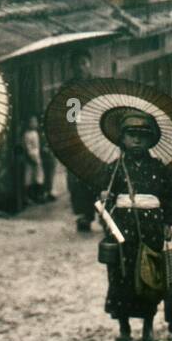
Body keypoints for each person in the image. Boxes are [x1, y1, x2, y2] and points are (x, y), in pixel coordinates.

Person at [100, 111, 172, 341]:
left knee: (151, 277)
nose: (136, 140)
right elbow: (103, 204)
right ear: (122, 139)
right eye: (131, 135)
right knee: (120, 277)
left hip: (151, 229)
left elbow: (170, 197)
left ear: (150, 140)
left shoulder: (158, 168)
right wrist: (105, 199)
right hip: (121, 229)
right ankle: (124, 330)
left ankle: (148, 330)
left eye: (142, 136)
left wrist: (168, 222)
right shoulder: (114, 169)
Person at [65, 51, 98, 232]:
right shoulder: (70, 89)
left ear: (90, 65)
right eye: (77, 64)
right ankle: (84, 215)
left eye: (84, 63)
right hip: (78, 138)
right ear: (72, 67)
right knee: (78, 180)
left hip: (98, 137)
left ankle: (106, 214)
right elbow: (70, 117)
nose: (81, 67)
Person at [21, 115, 46, 204]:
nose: (35, 124)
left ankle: (38, 196)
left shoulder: (35, 133)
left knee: (38, 177)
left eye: (35, 122)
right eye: (32, 122)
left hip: (36, 156)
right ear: (28, 124)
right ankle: (28, 197)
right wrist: (32, 158)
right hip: (31, 157)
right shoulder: (27, 134)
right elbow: (28, 148)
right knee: (29, 178)